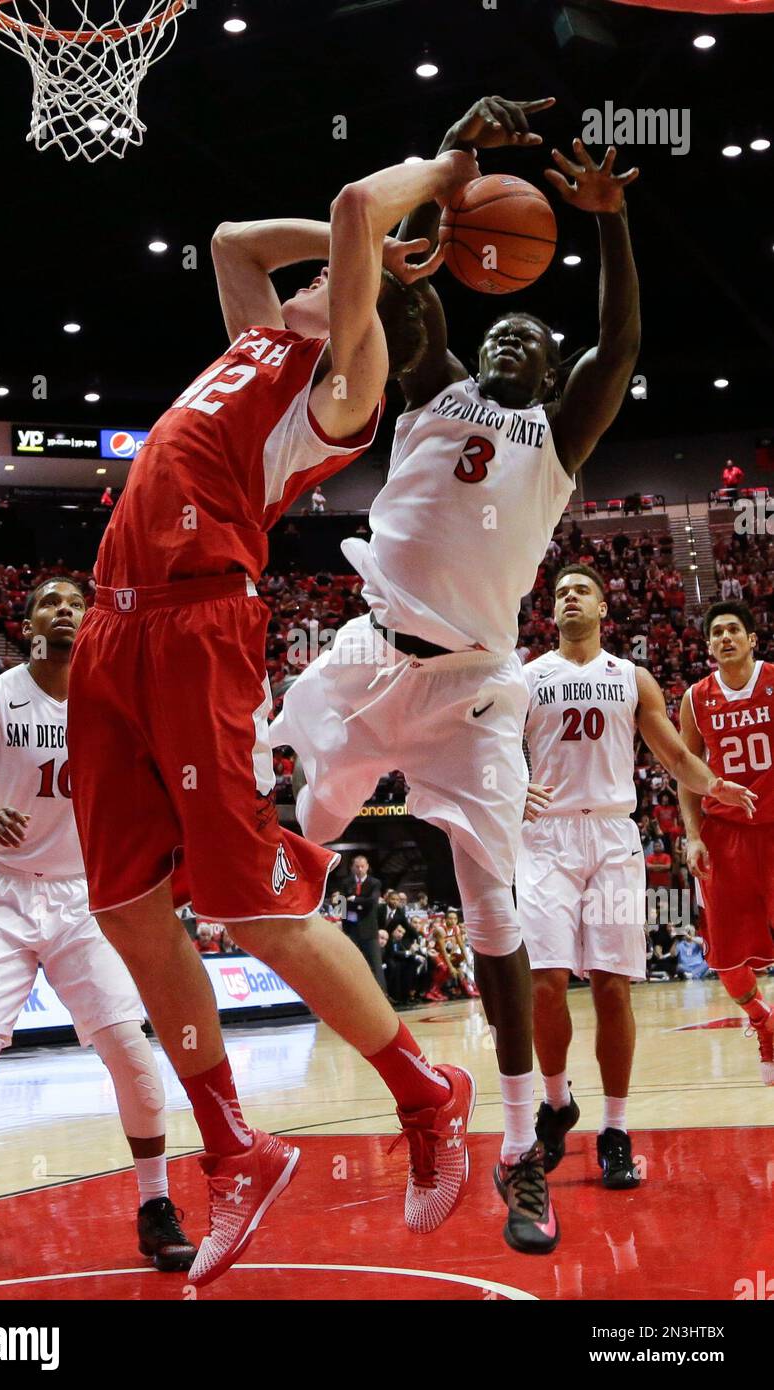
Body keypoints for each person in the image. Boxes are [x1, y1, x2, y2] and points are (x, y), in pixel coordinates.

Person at [67, 151, 481, 1289]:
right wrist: (364, 251)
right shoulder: (260, 342)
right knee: (123, 911)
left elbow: (352, 210)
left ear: (359, 307)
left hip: (197, 629)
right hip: (110, 630)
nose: (303, 276)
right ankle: (237, 1149)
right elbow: (232, 241)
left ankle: (425, 1093)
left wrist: (436, 179)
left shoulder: (338, 392)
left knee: (249, 907)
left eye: (329, 278)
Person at [271, 91, 641, 1255]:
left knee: (496, 917)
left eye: (533, 336)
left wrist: (607, 224)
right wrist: (454, 157)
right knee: (295, 836)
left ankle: (522, 1149)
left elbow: (616, 345)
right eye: (502, 328)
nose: (512, 340)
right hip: (369, 653)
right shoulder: (429, 381)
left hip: (475, 688)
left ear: (550, 363)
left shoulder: (563, 434)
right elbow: (390, 276)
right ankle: (281, 929)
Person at [0, 577, 196, 1274]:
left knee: (131, 1051)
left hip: (83, 898)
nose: (65, 609)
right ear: (31, 621)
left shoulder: (117, 700)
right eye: (50, 601)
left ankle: (156, 1205)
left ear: (93, 621)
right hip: (1, 894)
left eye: (77, 601)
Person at [520, 566, 751, 1187]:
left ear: (603, 607)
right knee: (543, 982)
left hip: (614, 837)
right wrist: (508, 789)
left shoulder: (631, 677)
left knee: (612, 987)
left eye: (581, 590)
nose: (569, 597)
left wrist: (714, 784)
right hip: (546, 837)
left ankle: (616, 1129)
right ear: (554, 611)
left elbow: (676, 756)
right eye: (560, 591)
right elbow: (486, 748)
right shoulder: (526, 677)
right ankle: (556, 1098)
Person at [678, 601, 772, 1082]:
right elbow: (685, 770)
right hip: (725, 837)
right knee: (726, 958)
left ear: (753, 638)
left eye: (735, 629)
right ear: (710, 645)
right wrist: (693, 836)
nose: (726, 637)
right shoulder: (695, 698)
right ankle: (763, 1022)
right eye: (717, 632)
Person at [339, 854, 385, 989]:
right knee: (353, 964)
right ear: (352, 867)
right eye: (357, 866)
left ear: (367, 867)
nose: (359, 869)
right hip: (351, 929)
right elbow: (342, 904)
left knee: (375, 964)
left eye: (362, 866)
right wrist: (358, 903)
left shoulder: (374, 883)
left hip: (368, 930)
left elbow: (372, 902)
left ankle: (383, 994)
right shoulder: (345, 883)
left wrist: (354, 900)